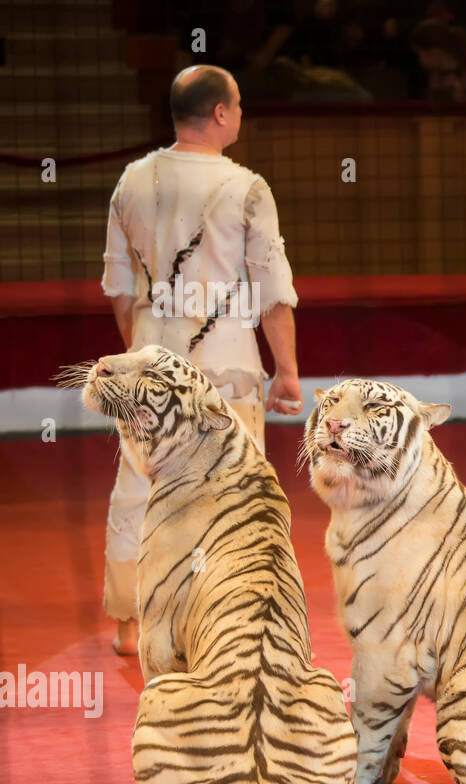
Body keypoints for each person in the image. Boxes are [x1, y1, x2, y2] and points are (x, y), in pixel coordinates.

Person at [100, 65, 302, 656]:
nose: (241, 114)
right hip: (228, 368)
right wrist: (286, 370)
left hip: (149, 362)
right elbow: (273, 294)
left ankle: (129, 624)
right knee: (235, 491)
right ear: (220, 113)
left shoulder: (131, 181)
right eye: (238, 105)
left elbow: (118, 285)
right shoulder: (248, 188)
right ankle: (229, 616)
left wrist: (141, 339)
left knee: (139, 485)